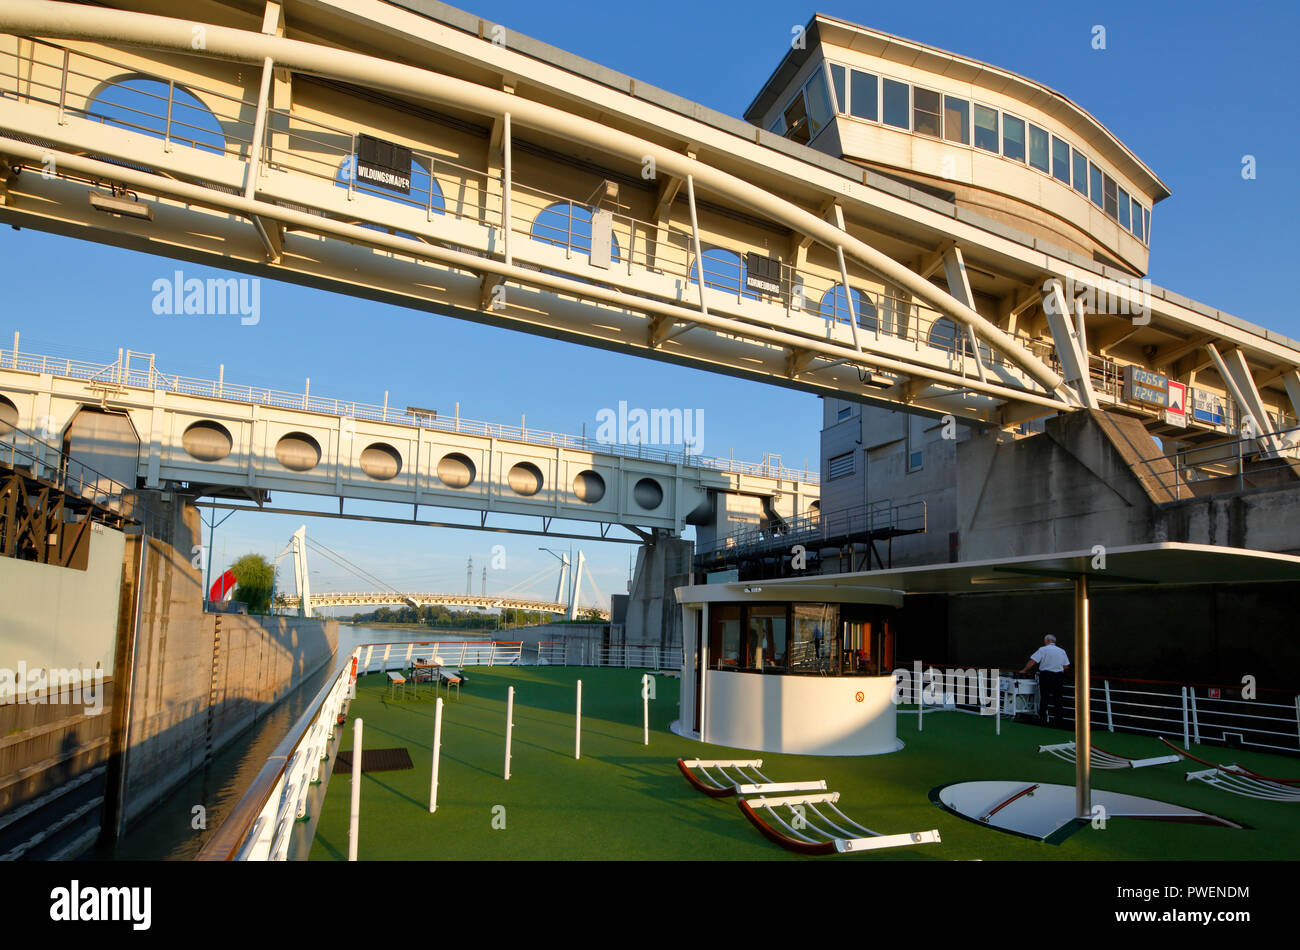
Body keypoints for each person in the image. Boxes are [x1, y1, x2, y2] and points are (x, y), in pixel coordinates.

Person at [1020, 634, 1070, 726]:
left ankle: (1042, 718)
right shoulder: (1062, 651)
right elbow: (1066, 666)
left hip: (1046, 675)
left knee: (1044, 697)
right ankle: (1059, 719)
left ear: (1047, 640)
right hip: (1058, 676)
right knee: (1058, 698)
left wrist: (1024, 670)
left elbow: (1032, 661)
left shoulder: (1043, 649)